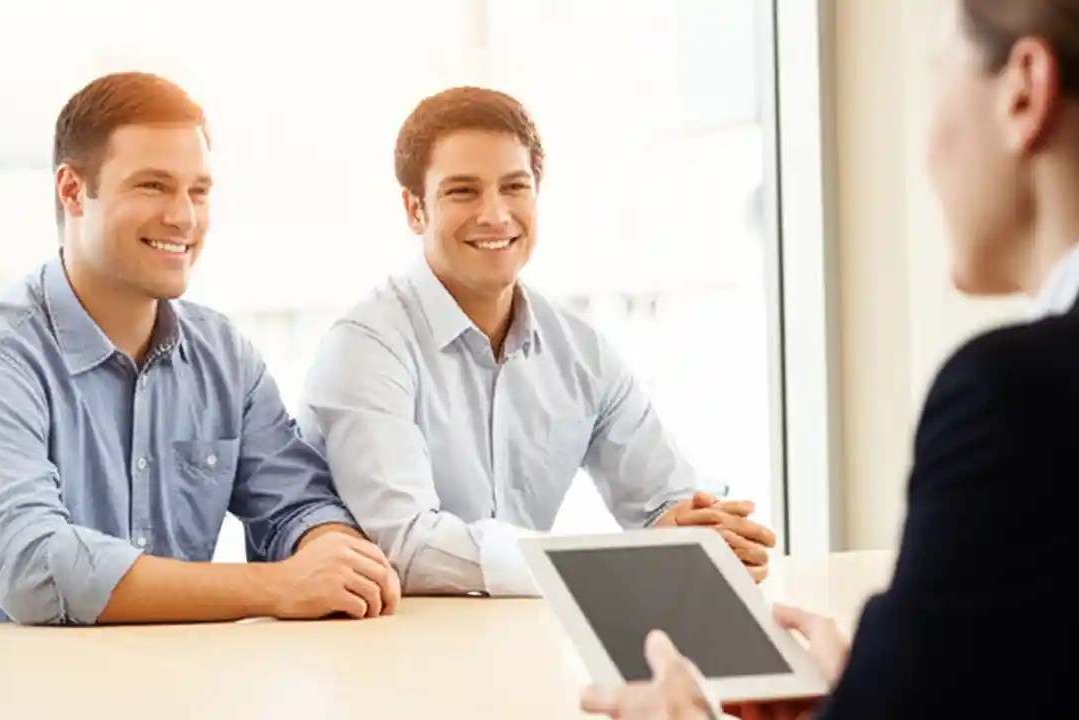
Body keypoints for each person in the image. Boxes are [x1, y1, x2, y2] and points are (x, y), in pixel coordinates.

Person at [581, 0, 1079, 716]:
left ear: (1024, 90)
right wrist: (877, 694)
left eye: (938, 80)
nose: (925, 151)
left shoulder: (1019, 395)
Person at [0, 72, 399, 629]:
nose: (184, 217)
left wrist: (331, 549)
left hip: (163, 686)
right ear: (72, 190)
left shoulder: (225, 356)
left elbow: (298, 503)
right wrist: (274, 587)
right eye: (153, 186)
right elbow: (34, 570)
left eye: (198, 191)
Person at [296, 87, 776, 597]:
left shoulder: (580, 352)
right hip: (382, 650)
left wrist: (706, 535)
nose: (496, 215)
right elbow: (406, 547)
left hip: (522, 639)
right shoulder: (367, 348)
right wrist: (598, 569)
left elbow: (664, 503)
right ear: (415, 209)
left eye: (514, 187)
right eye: (463, 192)